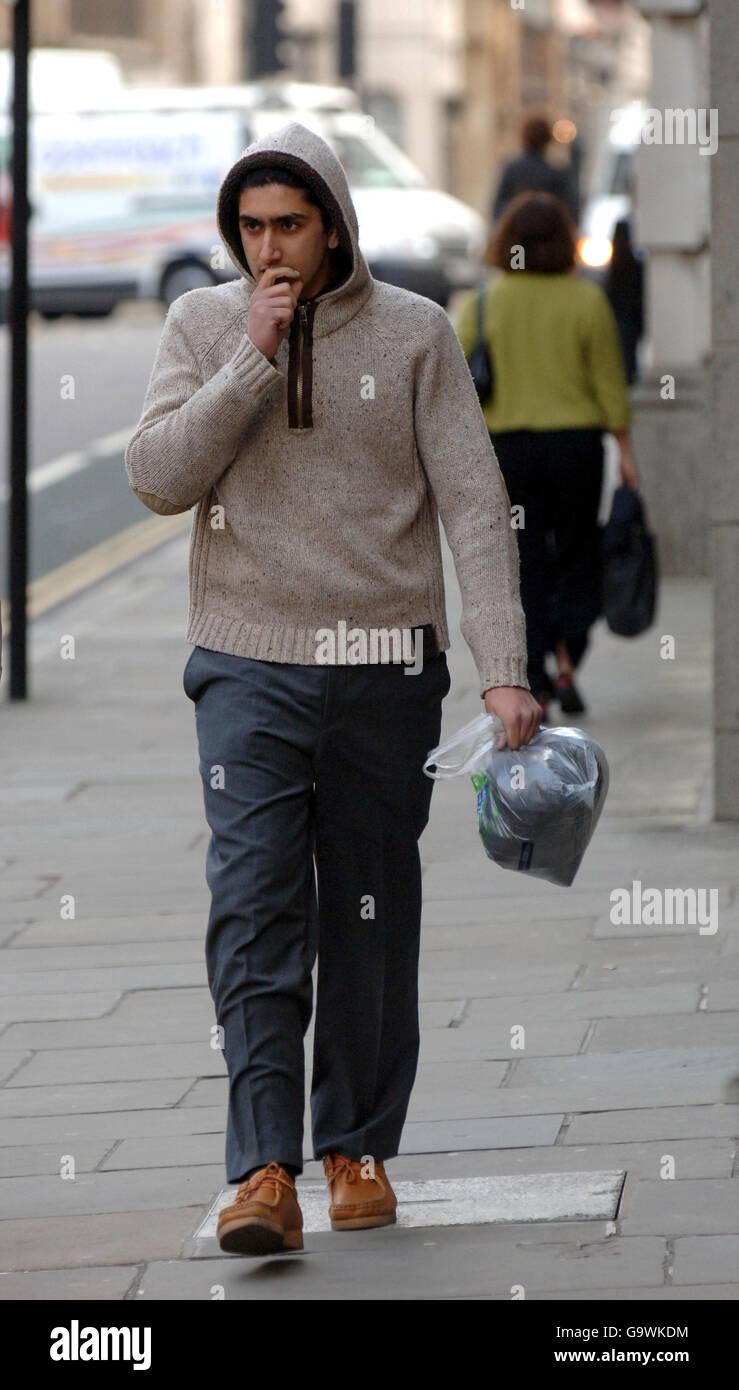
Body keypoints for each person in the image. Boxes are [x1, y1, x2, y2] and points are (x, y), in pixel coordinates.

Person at [125, 122, 540, 1257]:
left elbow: (471, 500)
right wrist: (248, 357)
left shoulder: (416, 333)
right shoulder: (201, 324)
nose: (270, 248)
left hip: (385, 671)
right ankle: (263, 1167)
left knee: (367, 912)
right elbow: (159, 477)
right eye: (252, 227)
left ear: (334, 227)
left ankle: (354, 1145)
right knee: (255, 908)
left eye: (290, 227)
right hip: (245, 664)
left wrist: (505, 666)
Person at [454, 191, 639, 718]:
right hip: (576, 447)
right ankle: (567, 663)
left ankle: (533, 675)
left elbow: (455, 369)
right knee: (579, 557)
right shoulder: (585, 300)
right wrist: (626, 451)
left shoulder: (488, 300)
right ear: (564, 241)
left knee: (523, 563)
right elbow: (609, 383)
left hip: (508, 450)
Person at [492, 114, 579, 225]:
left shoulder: (513, 168)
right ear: (548, 139)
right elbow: (571, 211)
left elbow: (498, 207)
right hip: (548, 234)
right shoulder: (558, 171)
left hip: (517, 234)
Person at [604, 218, 645, 385]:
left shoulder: (614, 264)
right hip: (631, 314)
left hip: (619, 314)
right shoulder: (635, 263)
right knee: (629, 349)